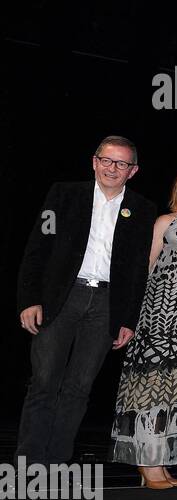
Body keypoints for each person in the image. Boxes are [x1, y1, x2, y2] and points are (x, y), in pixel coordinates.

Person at [16, 136, 155, 465]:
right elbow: (37, 249)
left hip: (106, 305)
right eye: (106, 160)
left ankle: (57, 462)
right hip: (60, 299)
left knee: (79, 388)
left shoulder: (143, 209)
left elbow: (137, 272)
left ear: (132, 171)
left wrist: (128, 319)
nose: (112, 168)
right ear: (94, 162)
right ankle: (29, 462)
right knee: (44, 381)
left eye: (121, 163)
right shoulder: (64, 195)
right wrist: (29, 300)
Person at [111, 165, 177, 488]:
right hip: (159, 319)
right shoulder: (166, 223)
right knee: (150, 392)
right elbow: (142, 270)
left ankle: (162, 465)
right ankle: (147, 465)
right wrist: (127, 318)